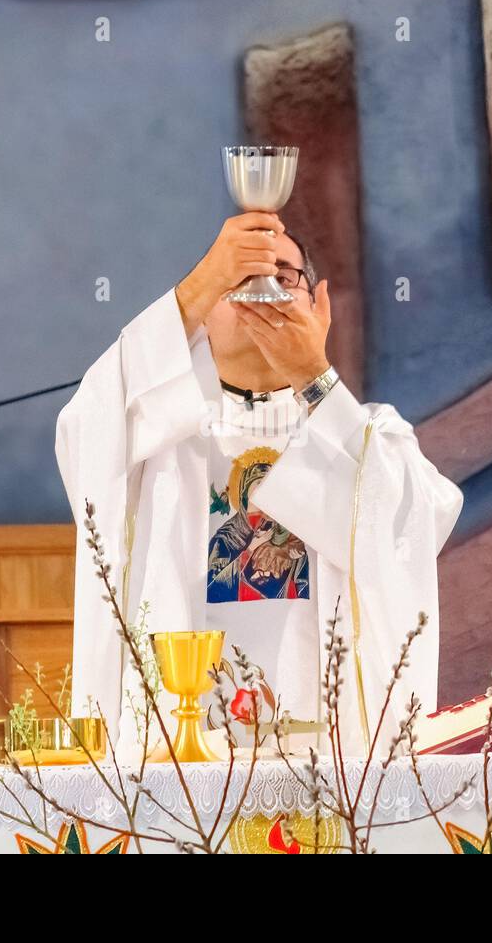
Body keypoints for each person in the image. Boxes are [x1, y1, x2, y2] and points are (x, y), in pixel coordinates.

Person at [55, 213, 463, 756]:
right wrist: (200, 282)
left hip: (330, 756)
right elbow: (86, 428)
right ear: (202, 316)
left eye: (282, 277)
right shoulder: (159, 440)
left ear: (320, 309)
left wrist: (315, 379)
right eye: (237, 281)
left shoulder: (372, 433)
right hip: (183, 761)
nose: (260, 294)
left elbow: (416, 522)